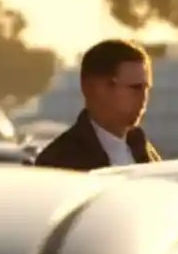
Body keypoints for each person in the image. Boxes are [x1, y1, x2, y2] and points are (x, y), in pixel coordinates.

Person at [34, 38, 161, 171]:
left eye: (146, 88)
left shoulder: (146, 153)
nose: (143, 97)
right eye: (135, 87)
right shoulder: (58, 162)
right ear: (94, 89)